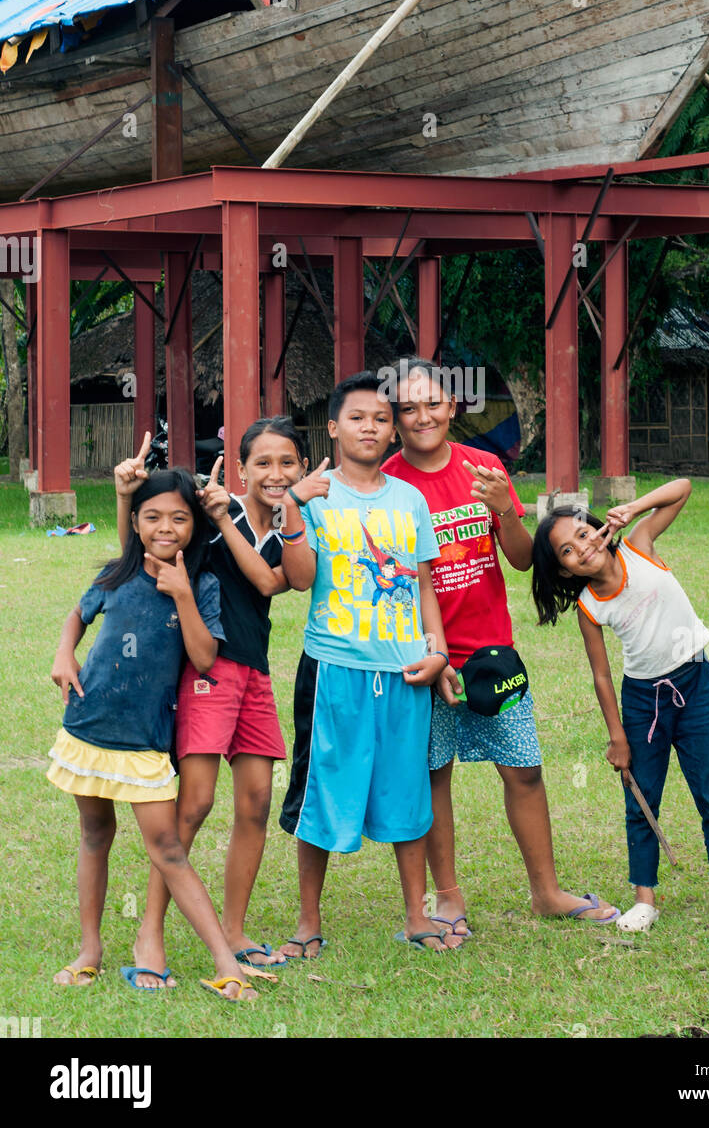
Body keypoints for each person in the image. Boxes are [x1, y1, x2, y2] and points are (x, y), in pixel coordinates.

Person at [383, 357, 619, 941]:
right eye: (407, 408)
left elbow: (518, 557)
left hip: (492, 653)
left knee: (525, 772)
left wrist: (505, 510)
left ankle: (546, 892)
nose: (422, 416)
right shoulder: (386, 483)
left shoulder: (485, 467)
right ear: (394, 419)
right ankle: (448, 899)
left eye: (432, 403)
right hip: (422, 658)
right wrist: (429, 653)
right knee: (433, 776)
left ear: (452, 405)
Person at [47, 468, 258, 1001]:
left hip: (144, 741)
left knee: (167, 847)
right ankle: (90, 950)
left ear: (195, 527)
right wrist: (63, 651)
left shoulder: (203, 584)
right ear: (136, 522)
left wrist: (183, 593)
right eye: (153, 517)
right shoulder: (116, 574)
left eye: (179, 519)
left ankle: (224, 963)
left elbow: (205, 657)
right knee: (95, 835)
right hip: (90, 728)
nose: (166, 527)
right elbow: (79, 613)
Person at [115, 420, 308, 985]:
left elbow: (282, 582)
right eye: (263, 463)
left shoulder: (291, 526)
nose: (276, 474)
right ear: (240, 467)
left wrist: (285, 510)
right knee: (192, 807)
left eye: (288, 463)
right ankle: (148, 933)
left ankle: (234, 929)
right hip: (208, 672)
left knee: (255, 803)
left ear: (301, 467)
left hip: (255, 672)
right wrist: (128, 494)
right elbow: (148, 547)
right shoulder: (211, 515)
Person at [531, 478, 709, 933]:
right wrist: (617, 737)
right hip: (642, 702)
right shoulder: (589, 606)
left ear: (600, 528)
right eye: (566, 552)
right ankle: (645, 900)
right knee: (642, 802)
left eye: (583, 533)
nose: (581, 548)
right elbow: (601, 675)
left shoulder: (639, 545)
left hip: (695, 685)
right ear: (564, 571)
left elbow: (683, 487)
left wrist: (632, 509)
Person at [276, 371, 456, 955]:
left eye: (382, 419)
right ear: (332, 427)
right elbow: (300, 579)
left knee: (409, 794)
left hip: (406, 673)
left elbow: (425, 584)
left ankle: (417, 918)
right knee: (322, 792)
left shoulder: (410, 499)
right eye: (357, 418)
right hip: (335, 669)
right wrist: (294, 505)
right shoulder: (315, 495)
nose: (371, 428)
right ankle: (308, 922)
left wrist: (437, 650)